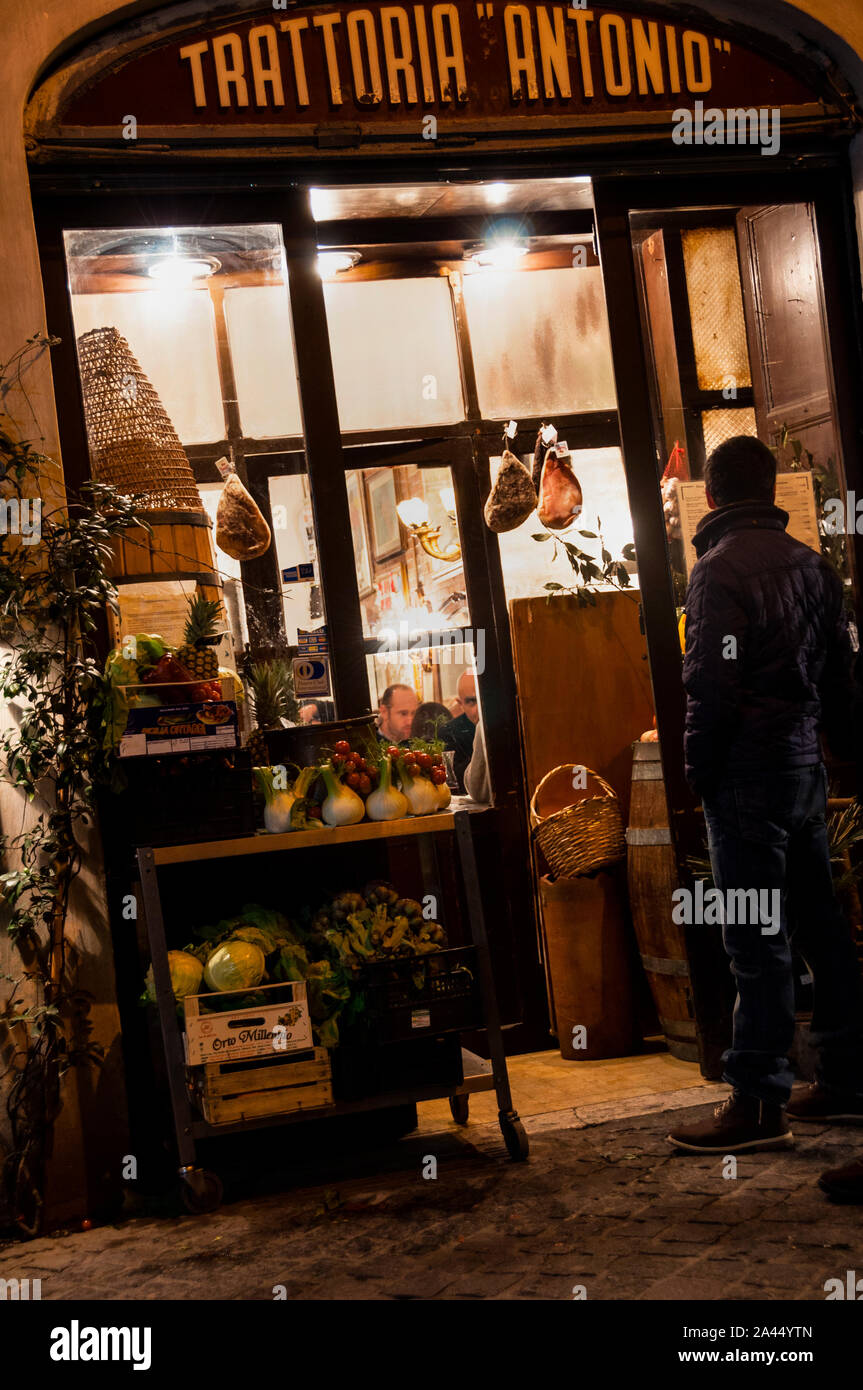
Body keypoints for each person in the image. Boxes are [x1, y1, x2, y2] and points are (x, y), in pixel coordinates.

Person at [667, 434, 863, 1156]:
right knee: (818, 925)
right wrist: (839, 753)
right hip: (802, 770)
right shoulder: (812, 567)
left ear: (711, 496)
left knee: (753, 935)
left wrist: (699, 769)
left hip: (746, 776)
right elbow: (840, 671)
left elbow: (708, 685)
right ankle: (844, 1077)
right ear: (771, 492)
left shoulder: (714, 573)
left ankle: (756, 1101)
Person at [440, 671, 479, 794]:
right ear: (460, 704)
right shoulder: (448, 734)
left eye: (483, 698)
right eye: (472, 701)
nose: (480, 708)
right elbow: (456, 783)